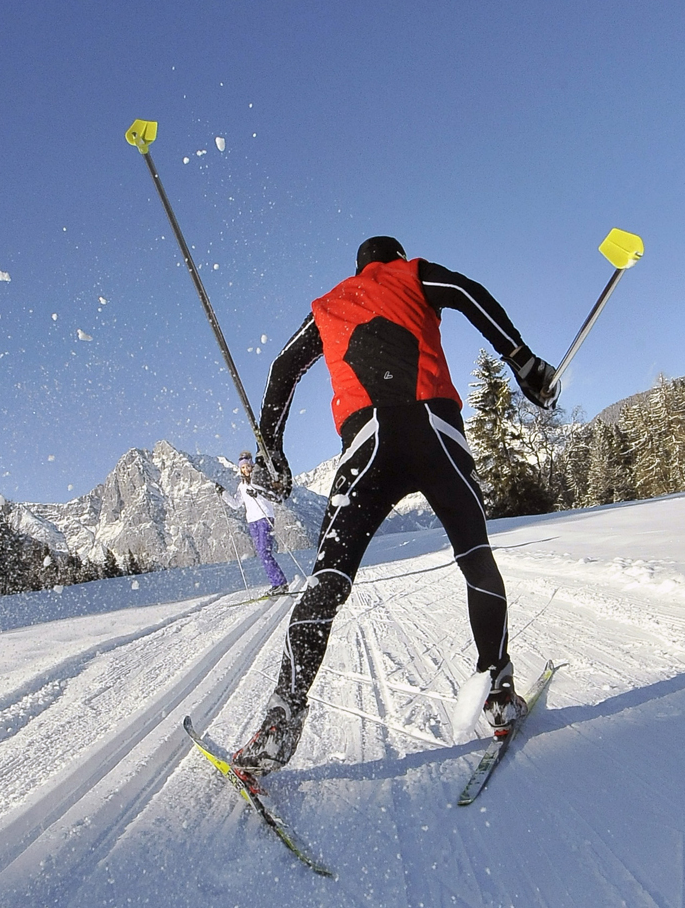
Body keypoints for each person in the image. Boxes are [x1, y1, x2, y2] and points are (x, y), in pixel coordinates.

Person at [232, 235, 559, 774]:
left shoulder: (328, 304)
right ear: (394, 258)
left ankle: (282, 721)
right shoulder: (413, 275)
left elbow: (280, 371)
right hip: (435, 432)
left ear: (358, 266)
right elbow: (467, 293)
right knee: (476, 559)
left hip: (368, 445)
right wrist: (521, 360)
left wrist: (272, 451)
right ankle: (499, 692)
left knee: (327, 581)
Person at [217, 451, 289, 597]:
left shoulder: (260, 478)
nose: (246, 469)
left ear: (252, 466)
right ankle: (277, 583)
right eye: (243, 468)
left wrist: (258, 494)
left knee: (264, 552)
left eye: (248, 466)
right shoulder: (242, 486)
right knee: (262, 554)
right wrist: (223, 493)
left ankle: (280, 583)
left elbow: (270, 495)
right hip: (252, 521)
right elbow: (236, 504)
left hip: (264, 517)